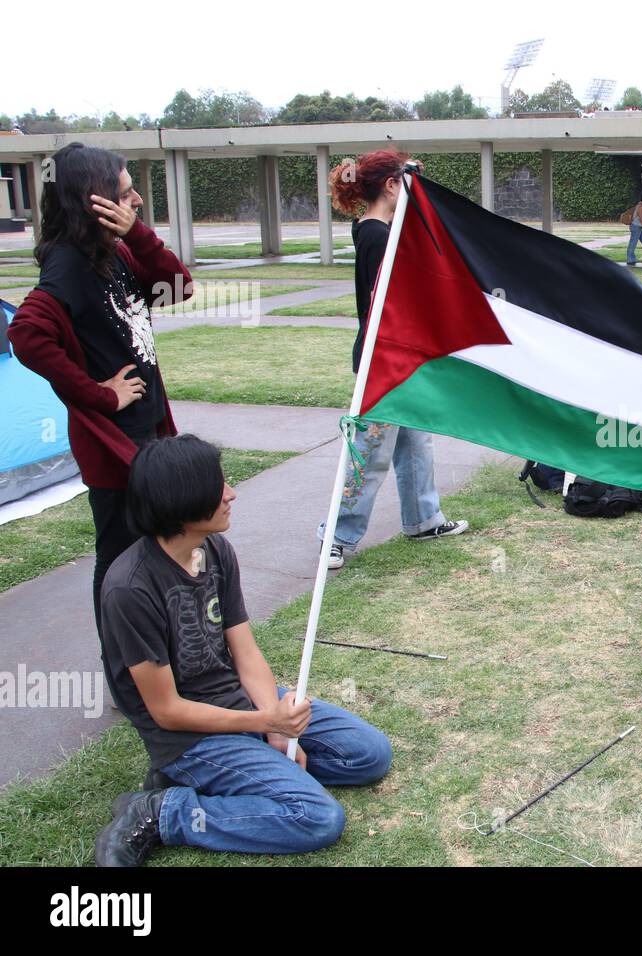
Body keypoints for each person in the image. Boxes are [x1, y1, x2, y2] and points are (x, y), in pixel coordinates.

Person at [93, 435, 392, 866]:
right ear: (182, 499)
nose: (231, 493)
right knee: (316, 817)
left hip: (240, 704)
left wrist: (276, 723)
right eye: (218, 486)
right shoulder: (130, 589)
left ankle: (230, 777)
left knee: (369, 755)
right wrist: (264, 719)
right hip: (189, 737)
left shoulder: (214, 549)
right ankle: (161, 812)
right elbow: (167, 711)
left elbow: (245, 649)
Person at [8, 143, 189, 647]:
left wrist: (137, 233)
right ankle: (127, 670)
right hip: (114, 446)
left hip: (147, 432)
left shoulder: (118, 249)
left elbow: (178, 286)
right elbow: (26, 334)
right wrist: (100, 395)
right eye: (126, 195)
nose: (136, 204)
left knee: (156, 549)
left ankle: (160, 653)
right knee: (121, 560)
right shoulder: (69, 265)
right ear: (94, 203)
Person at [318, 150, 468, 569]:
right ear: (390, 186)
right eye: (406, 181)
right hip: (383, 361)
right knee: (370, 451)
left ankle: (423, 518)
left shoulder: (372, 228)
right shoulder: (376, 236)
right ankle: (336, 534)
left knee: (415, 441)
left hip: (401, 358)